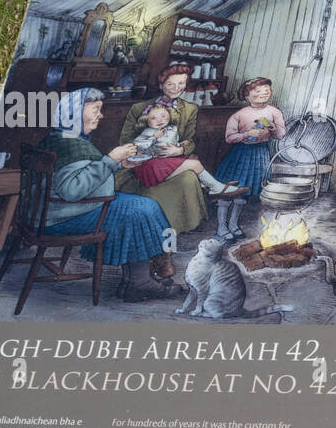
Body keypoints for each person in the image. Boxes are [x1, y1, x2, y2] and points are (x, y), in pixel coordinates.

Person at [37, 87, 177, 302]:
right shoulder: (70, 144)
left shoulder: (62, 137)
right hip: (62, 216)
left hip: (59, 210)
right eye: (96, 109)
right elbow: (72, 190)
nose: (100, 115)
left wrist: (119, 164)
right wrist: (111, 159)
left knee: (145, 206)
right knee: (139, 210)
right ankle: (142, 282)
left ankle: (142, 278)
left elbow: (83, 174)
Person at [114, 65, 211, 235]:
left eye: (181, 84)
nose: (176, 89)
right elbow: (125, 140)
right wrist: (142, 150)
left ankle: (186, 225)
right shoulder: (139, 108)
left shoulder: (190, 109)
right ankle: (153, 228)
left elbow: (190, 140)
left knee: (188, 177)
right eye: (170, 84)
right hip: (143, 160)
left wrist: (179, 150)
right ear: (161, 85)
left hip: (173, 159)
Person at [214, 77, 288, 242]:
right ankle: (221, 227)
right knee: (228, 190)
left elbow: (281, 135)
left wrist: (271, 126)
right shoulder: (239, 115)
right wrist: (247, 134)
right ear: (247, 95)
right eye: (257, 90)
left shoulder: (274, 112)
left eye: (266, 90)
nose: (263, 93)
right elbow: (229, 137)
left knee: (243, 193)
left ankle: (233, 225)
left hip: (260, 154)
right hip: (240, 153)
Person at [128, 102, 247, 197]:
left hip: (167, 159)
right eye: (153, 118)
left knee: (193, 158)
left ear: (169, 115)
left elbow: (170, 143)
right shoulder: (148, 131)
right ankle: (216, 188)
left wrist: (180, 145)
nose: (160, 120)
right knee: (194, 164)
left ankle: (208, 185)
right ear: (147, 120)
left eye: (163, 116)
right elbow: (138, 146)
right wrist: (154, 137)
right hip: (153, 164)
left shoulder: (172, 128)